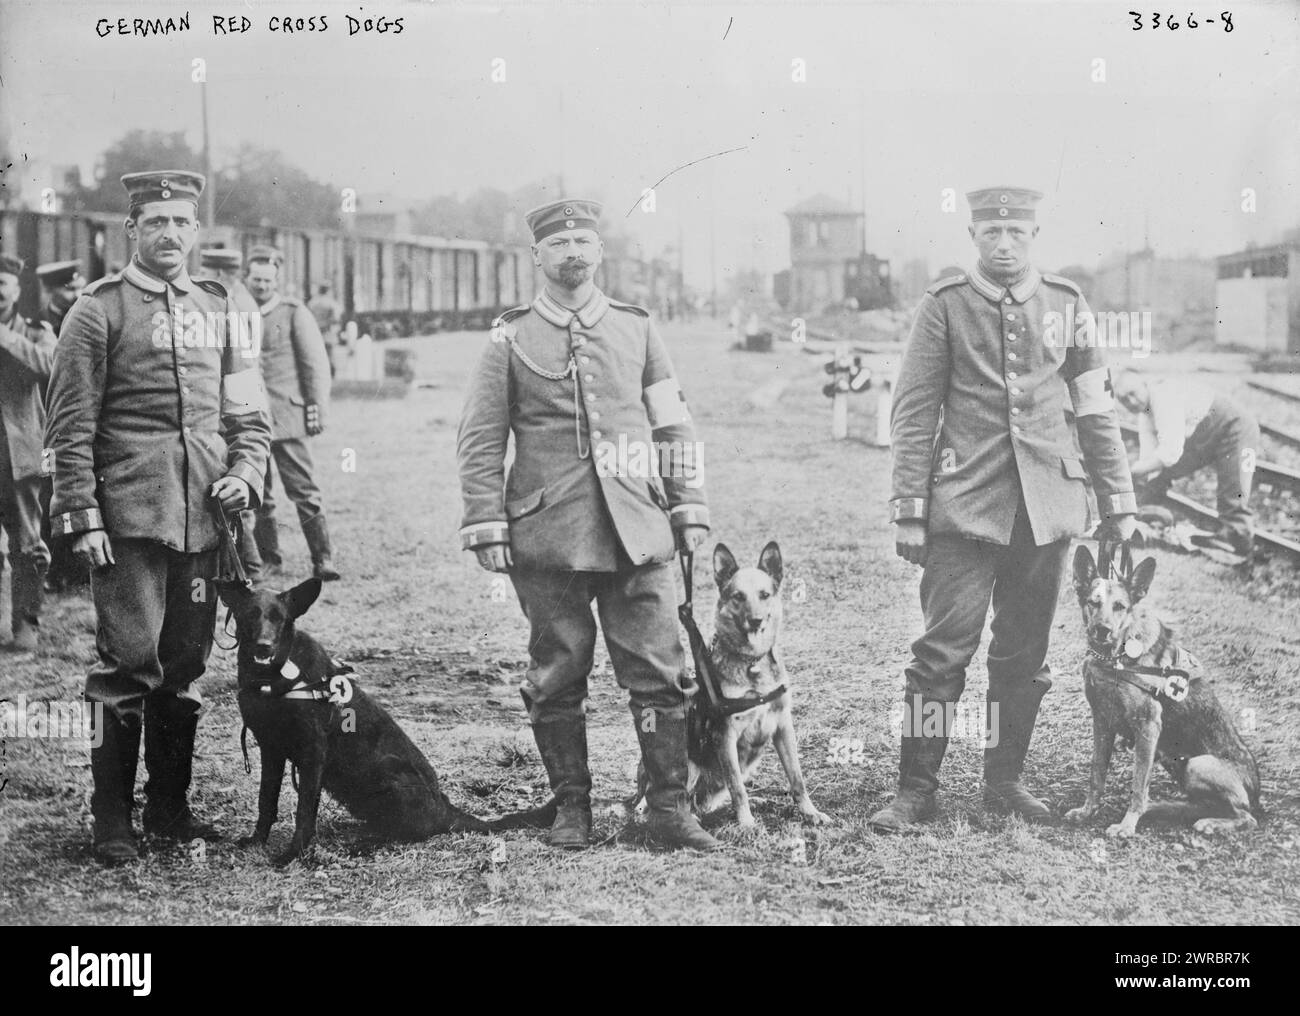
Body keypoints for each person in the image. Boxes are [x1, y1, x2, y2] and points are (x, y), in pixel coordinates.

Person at [457, 198, 717, 851]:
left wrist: (686, 506)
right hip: (549, 537)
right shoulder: (508, 336)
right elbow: (482, 438)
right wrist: (486, 519)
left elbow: (672, 423)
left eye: (583, 240)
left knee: (660, 673)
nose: (573, 251)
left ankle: (667, 809)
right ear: (537, 255)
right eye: (559, 242)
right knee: (556, 675)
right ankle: (573, 808)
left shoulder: (637, 328)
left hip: (638, 530)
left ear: (600, 252)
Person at [876, 186, 1138, 832]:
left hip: (1047, 508)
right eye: (991, 233)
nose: (1004, 244)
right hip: (964, 510)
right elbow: (913, 412)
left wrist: (1120, 501)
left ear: (1034, 233)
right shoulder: (945, 307)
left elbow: (1095, 410)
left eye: (1016, 233)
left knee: (1025, 656)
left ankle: (1005, 781)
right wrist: (911, 508)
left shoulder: (1068, 304)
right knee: (941, 653)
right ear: (972, 236)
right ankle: (917, 789)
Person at [44, 170, 272, 863]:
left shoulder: (224, 305)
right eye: (155, 223)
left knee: (183, 664)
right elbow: (70, 424)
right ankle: (111, 820)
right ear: (131, 231)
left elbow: (250, 413)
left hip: (204, 519)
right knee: (128, 667)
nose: (169, 235)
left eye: (181, 222)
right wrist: (81, 514)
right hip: (128, 520)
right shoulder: (98, 310)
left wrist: (245, 471)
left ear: (197, 232)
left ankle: (170, 810)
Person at [244, 247, 339, 582]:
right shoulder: (238, 310)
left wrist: (317, 409)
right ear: (247, 277)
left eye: (268, 280)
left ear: (277, 280)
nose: (261, 286)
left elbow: (315, 365)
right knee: (259, 495)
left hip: (289, 418)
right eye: (256, 279)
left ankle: (322, 558)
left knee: (304, 491)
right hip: (250, 420)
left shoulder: (294, 312)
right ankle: (270, 559)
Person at [1111, 368, 1258, 555]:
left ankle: (1241, 549)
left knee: (1233, 490)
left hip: (1235, 425)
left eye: (1133, 394)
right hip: (1207, 433)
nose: (1131, 402)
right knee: (1159, 475)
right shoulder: (1145, 415)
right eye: (1124, 399)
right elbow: (1150, 459)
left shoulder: (1163, 396)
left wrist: (1132, 472)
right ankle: (1148, 516)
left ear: (1145, 385)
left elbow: (1170, 453)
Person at [199, 247, 267, 585]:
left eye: (209, 270)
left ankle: (252, 579)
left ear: (223, 273)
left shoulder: (233, 304)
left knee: (238, 511)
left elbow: (242, 370)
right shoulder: (236, 300)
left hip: (237, 408)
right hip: (238, 402)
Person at [0, 253, 56, 651]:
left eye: (1, 284)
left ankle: (26, 624)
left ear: (15, 290)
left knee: (27, 543)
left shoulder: (37, 332)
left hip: (18, 455)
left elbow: (50, 364)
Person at [36, 259, 86, 335]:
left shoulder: (86, 317)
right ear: (49, 289)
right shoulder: (41, 322)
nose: (78, 295)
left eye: (80, 288)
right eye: (70, 289)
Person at [307, 281, 343, 378]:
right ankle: (331, 376)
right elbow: (336, 319)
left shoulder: (312, 303)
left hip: (315, 334)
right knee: (329, 356)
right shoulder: (331, 303)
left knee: (316, 356)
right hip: (327, 333)